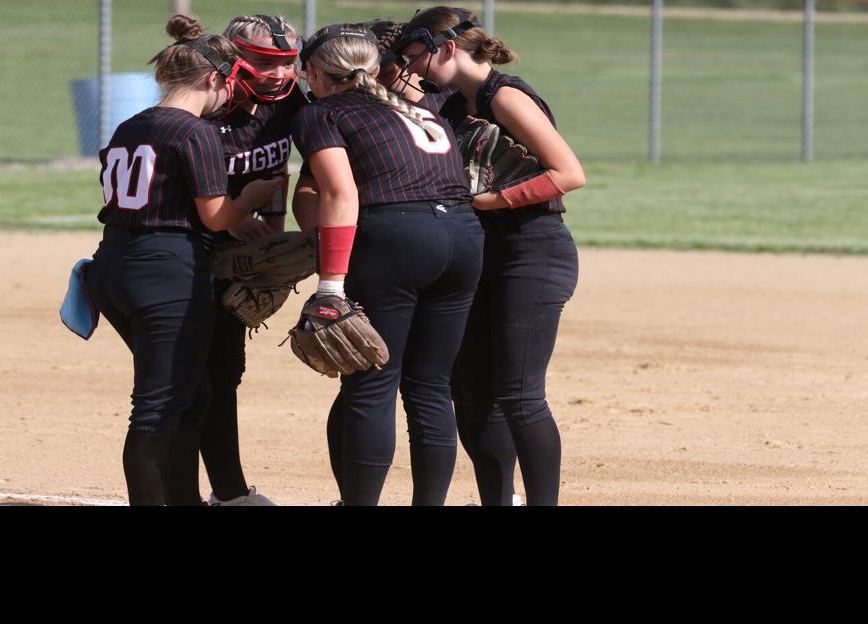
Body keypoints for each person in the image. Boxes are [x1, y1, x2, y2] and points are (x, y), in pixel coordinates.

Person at [83, 14, 281, 506]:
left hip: (113, 263)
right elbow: (216, 218)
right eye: (229, 85)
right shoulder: (196, 133)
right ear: (214, 79)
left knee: (190, 396)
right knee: (158, 408)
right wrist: (252, 195)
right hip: (166, 271)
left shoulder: (131, 124)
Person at [398, 8, 585, 506]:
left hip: (532, 249)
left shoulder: (505, 96)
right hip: (483, 253)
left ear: (445, 48)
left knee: (520, 395)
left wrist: (491, 201)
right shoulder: (457, 102)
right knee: (473, 395)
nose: (412, 68)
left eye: (416, 56)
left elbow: (568, 173)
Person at [292, 25, 484, 506]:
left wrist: (331, 284)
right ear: (374, 69)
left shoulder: (322, 112)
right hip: (463, 237)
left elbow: (340, 193)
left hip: (395, 239)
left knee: (371, 383)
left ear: (313, 72)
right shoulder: (421, 109)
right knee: (431, 388)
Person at [200, 14, 307, 507]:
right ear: (233, 55)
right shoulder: (205, 106)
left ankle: (228, 491)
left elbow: (283, 169)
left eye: (288, 63)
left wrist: (274, 240)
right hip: (191, 248)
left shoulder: (287, 102)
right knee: (195, 377)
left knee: (224, 374)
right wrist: (235, 218)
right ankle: (212, 492)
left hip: (239, 252)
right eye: (266, 61)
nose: (279, 74)